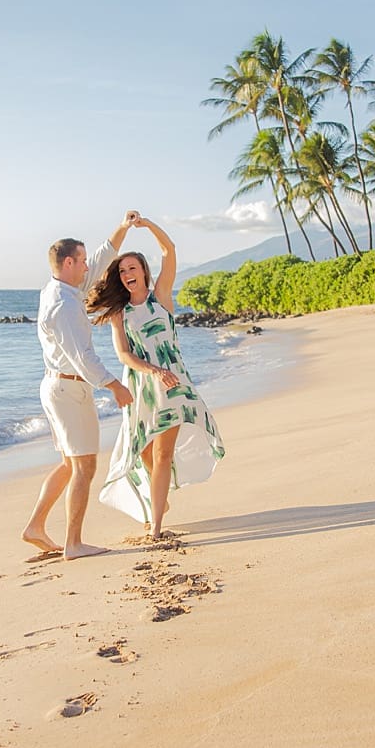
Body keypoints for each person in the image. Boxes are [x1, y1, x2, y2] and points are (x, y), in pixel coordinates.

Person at [87, 214, 225, 539]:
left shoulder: (161, 296)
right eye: (122, 271)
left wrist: (147, 225)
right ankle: (160, 500)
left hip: (173, 385)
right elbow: (124, 355)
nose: (127, 275)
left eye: (132, 268)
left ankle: (156, 526)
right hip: (142, 388)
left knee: (162, 454)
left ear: (144, 272)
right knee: (145, 454)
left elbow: (169, 250)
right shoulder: (119, 313)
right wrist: (152, 370)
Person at [21, 215, 136, 561]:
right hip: (69, 391)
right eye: (82, 261)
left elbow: (101, 259)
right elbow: (82, 356)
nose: (88, 267)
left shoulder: (60, 290)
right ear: (68, 263)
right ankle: (73, 544)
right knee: (85, 467)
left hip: (58, 387)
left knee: (71, 465)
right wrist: (114, 385)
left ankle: (35, 527)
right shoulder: (65, 304)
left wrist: (123, 228)